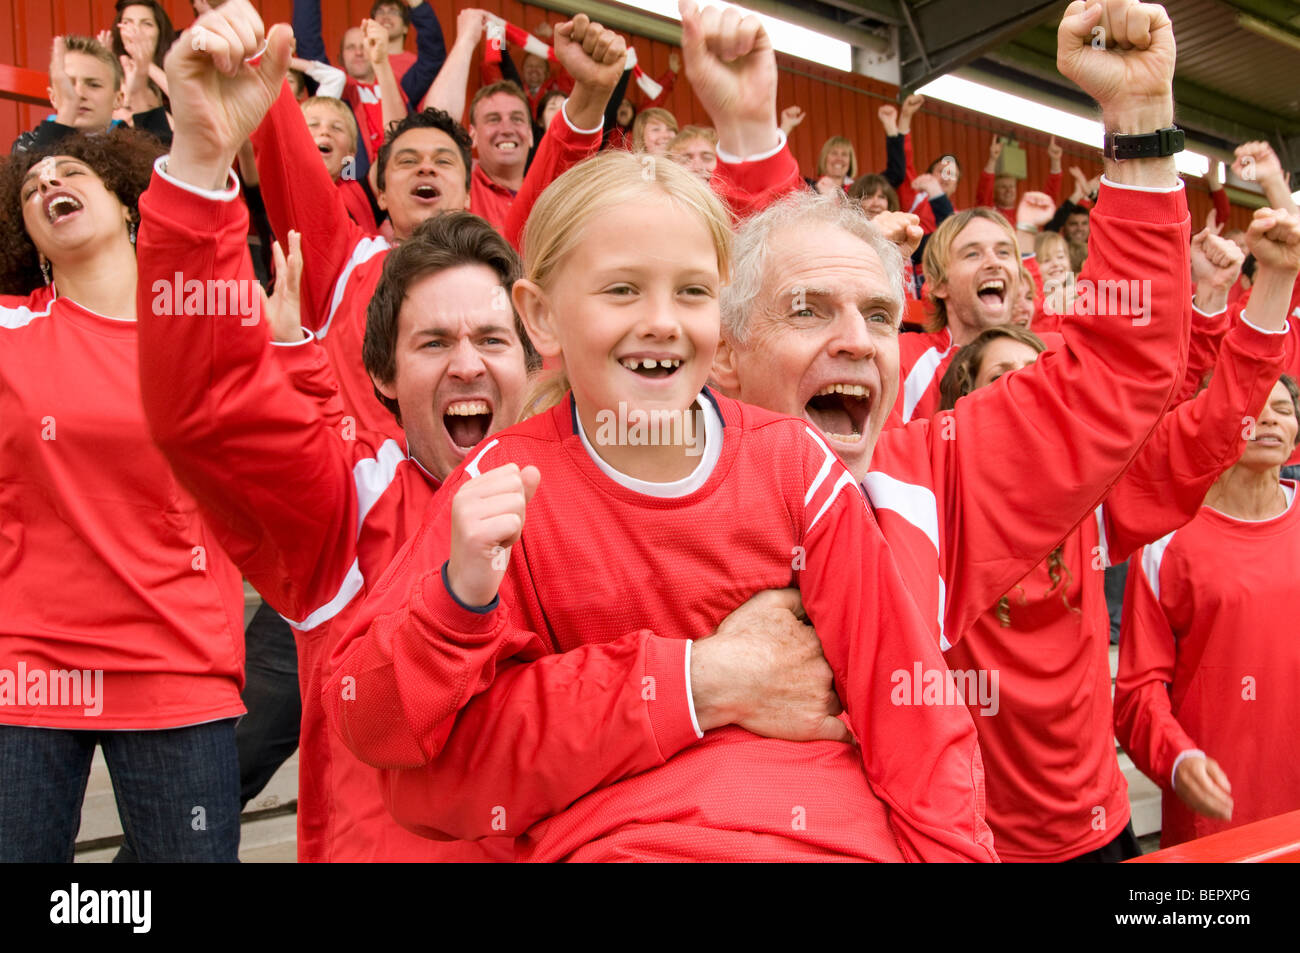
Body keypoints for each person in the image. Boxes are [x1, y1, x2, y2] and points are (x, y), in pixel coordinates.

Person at [325, 0, 1189, 862]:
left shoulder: (930, 480)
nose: (855, 338)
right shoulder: (521, 496)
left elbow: (1117, 369)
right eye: (810, 312)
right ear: (727, 357)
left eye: (883, 315)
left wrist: (1144, 131)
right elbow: (426, 767)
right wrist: (698, 679)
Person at [327, 149, 997, 864]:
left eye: (691, 292)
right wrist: (457, 606)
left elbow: (914, 721)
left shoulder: (797, 466)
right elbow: (376, 728)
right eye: (621, 289)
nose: (661, 322)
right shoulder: (503, 485)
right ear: (540, 318)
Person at [934, 211, 1290, 861]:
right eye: (999, 381)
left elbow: (1211, 422)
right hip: (983, 845)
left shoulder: (1096, 507)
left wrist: (1273, 281)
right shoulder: (924, 523)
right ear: (956, 415)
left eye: (1032, 380)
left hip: (1101, 832)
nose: (1021, 395)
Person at [0, 127, 246, 862]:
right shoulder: (9, 327)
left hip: (177, 659)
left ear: (126, 204)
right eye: (30, 187)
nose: (48, 184)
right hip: (30, 664)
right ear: (31, 238)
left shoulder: (203, 328)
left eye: (69, 171)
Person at [248, 16, 626, 447]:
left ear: (469, 193)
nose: (426, 166)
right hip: (370, 507)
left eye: (444, 161)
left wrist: (593, 92)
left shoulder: (498, 260)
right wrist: (260, 68)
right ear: (381, 193)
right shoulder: (340, 261)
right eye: (407, 161)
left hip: (503, 497)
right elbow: (292, 161)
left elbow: (552, 185)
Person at [1117, 354, 1300, 847]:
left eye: (1282, 409)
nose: (1267, 419)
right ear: (1212, 424)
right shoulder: (1165, 542)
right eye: (1252, 406)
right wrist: (1178, 758)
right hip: (1218, 815)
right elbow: (1138, 690)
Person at [12, 35, 171, 154]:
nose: (79, 94)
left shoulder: (132, 146)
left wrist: (139, 96)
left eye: (93, 85)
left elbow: (168, 172)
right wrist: (67, 113)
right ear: (53, 97)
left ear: (118, 99)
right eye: (69, 84)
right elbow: (33, 185)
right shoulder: (28, 143)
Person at [977, 135, 1063, 221]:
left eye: (1011, 186)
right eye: (1003, 187)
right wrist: (992, 159)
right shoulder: (990, 214)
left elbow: (1047, 200)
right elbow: (984, 191)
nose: (1008, 190)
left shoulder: (1025, 216)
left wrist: (1055, 161)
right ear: (994, 192)